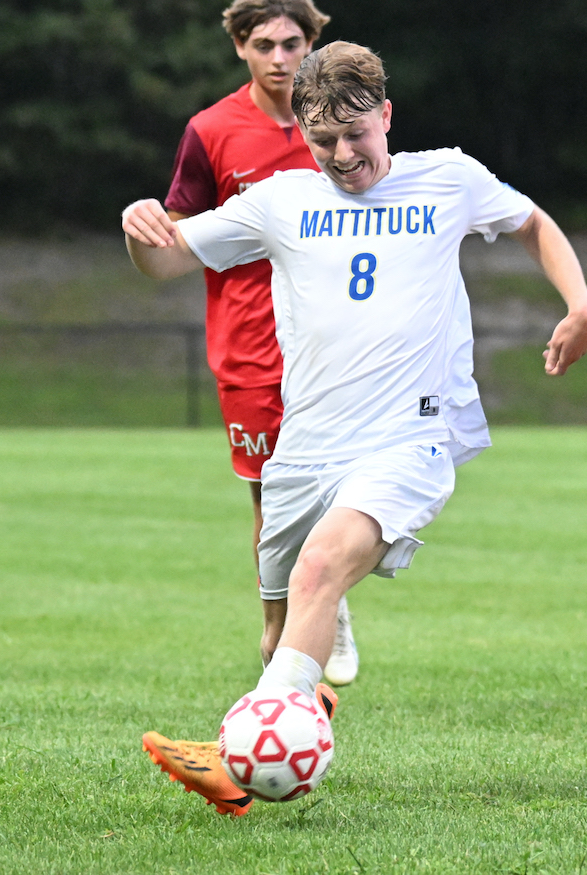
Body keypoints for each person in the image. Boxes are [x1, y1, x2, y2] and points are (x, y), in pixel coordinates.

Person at [125, 41, 587, 816]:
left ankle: (249, 760)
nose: (344, 157)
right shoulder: (280, 200)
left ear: (386, 114)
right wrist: (139, 229)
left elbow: (533, 221)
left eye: (357, 135)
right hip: (304, 447)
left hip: (407, 440)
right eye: (324, 144)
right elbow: (167, 262)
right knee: (280, 626)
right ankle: (264, 736)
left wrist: (579, 303)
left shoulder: (448, 176)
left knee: (317, 574)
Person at [164, 0, 359, 686]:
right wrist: (145, 226)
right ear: (241, 48)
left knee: (344, 484)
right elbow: (178, 230)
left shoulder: (339, 124)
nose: (280, 57)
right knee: (271, 497)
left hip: (336, 337)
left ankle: (324, 598)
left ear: (311, 44)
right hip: (248, 341)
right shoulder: (211, 131)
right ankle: (280, 623)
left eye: (292, 43)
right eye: (265, 44)